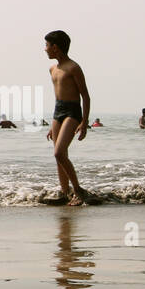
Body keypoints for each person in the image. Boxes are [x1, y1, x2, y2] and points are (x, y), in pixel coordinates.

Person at [43, 29, 90, 206]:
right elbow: (57, 96)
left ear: (55, 47)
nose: (45, 49)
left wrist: (84, 122)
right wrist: (52, 123)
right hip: (58, 112)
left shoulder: (73, 67)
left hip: (72, 112)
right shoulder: (52, 69)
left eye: (47, 45)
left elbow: (85, 95)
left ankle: (78, 190)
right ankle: (64, 192)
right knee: (58, 156)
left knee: (59, 152)